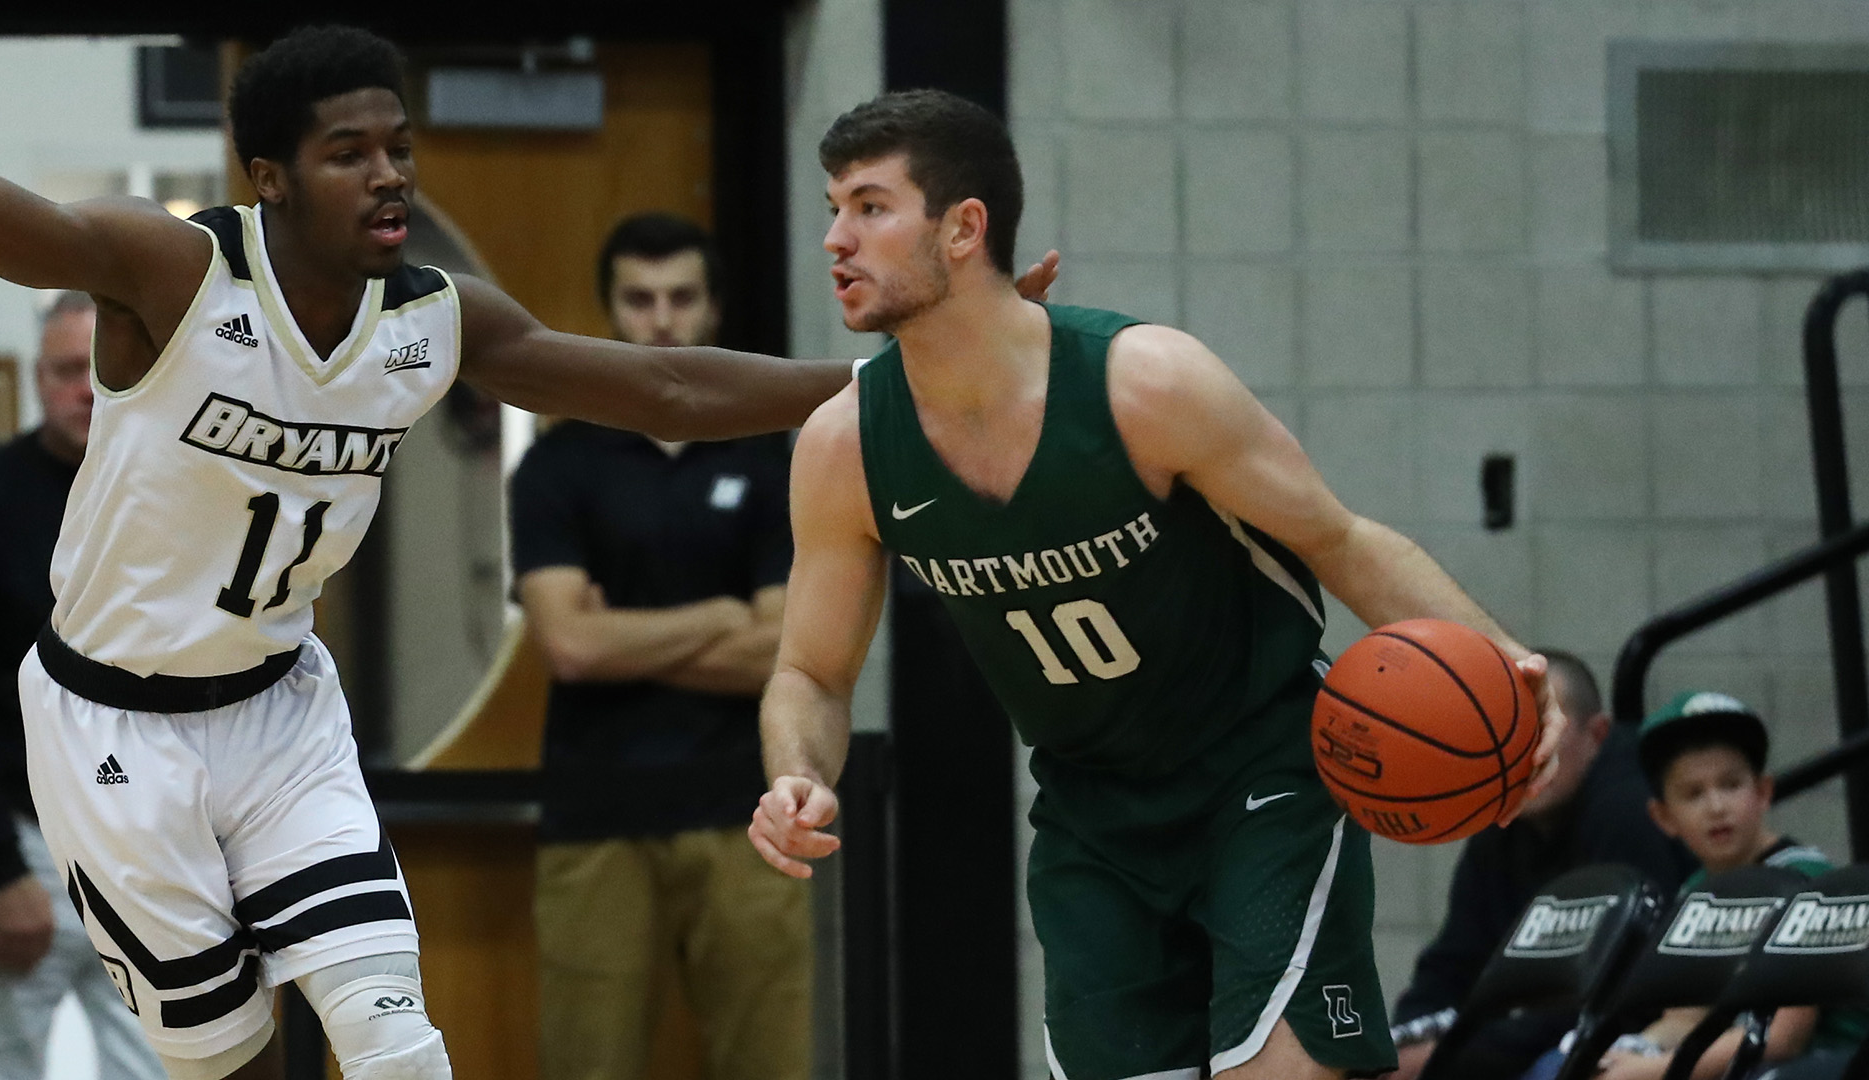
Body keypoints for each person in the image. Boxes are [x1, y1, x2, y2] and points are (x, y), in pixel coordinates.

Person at [0, 28, 1054, 1080]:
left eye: (399, 147)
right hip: (116, 723)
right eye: (348, 153)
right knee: (223, 1056)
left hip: (279, 713)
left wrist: (881, 384)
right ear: (269, 178)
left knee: (394, 1041)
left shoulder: (433, 318)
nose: (388, 174)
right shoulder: (173, 268)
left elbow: (667, 387)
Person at [747, 88, 1566, 1080]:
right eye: (833, 207)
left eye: (870, 207)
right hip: (1092, 812)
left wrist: (1509, 662)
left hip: (1259, 773)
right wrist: (798, 773)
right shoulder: (844, 446)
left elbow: (1341, 541)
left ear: (963, 229)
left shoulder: (1146, 383)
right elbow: (811, 673)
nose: (835, 238)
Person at [510, 214, 808, 1080]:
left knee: (775, 1064)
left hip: (746, 814)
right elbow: (570, 646)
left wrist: (625, 636)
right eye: (640, 300)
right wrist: (722, 614)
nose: (663, 320)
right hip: (595, 814)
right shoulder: (558, 467)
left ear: (713, 308)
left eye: (682, 297)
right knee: (587, 1066)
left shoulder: (769, 464)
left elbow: (780, 656)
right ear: (611, 312)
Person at [0, 293, 164, 1080]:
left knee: (165, 1069)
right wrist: (0, 869)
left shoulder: (181, 498)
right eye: (68, 371)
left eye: (102, 371)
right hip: (17, 844)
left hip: (151, 846)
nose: (86, 390)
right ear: (39, 380)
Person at [1383, 651, 1696, 1080]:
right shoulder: (1502, 818)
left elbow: (1615, 996)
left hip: (1628, 1042)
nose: (1525, 752)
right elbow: (1452, 962)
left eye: (1541, 731)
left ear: (1598, 735)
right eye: (1508, 734)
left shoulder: (1627, 811)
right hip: (1526, 1038)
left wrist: (1448, 1057)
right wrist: (1403, 1042)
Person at [1539, 690, 1862, 1080]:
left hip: (1823, 1062)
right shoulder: (1694, 890)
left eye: (1731, 785)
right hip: (1737, 1063)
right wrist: (1629, 1050)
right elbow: (1686, 1018)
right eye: (1693, 793)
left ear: (1763, 793)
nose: (1716, 807)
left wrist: (1647, 1071)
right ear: (1664, 817)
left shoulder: (1808, 880)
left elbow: (1780, 1040)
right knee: (1557, 1066)